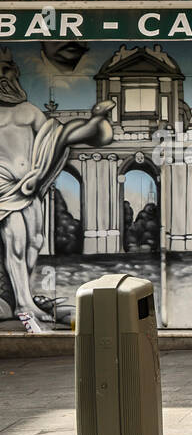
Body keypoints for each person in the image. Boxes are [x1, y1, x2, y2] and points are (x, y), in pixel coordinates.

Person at [0, 47, 114, 321]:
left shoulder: (28, 111)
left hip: (28, 188)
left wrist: (96, 120)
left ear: (15, 73)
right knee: (15, 241)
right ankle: (24, 305)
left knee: (33, 243)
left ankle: (19, 297)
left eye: (7, 69)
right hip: (3, 188)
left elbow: (59, 137)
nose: (3, 76)